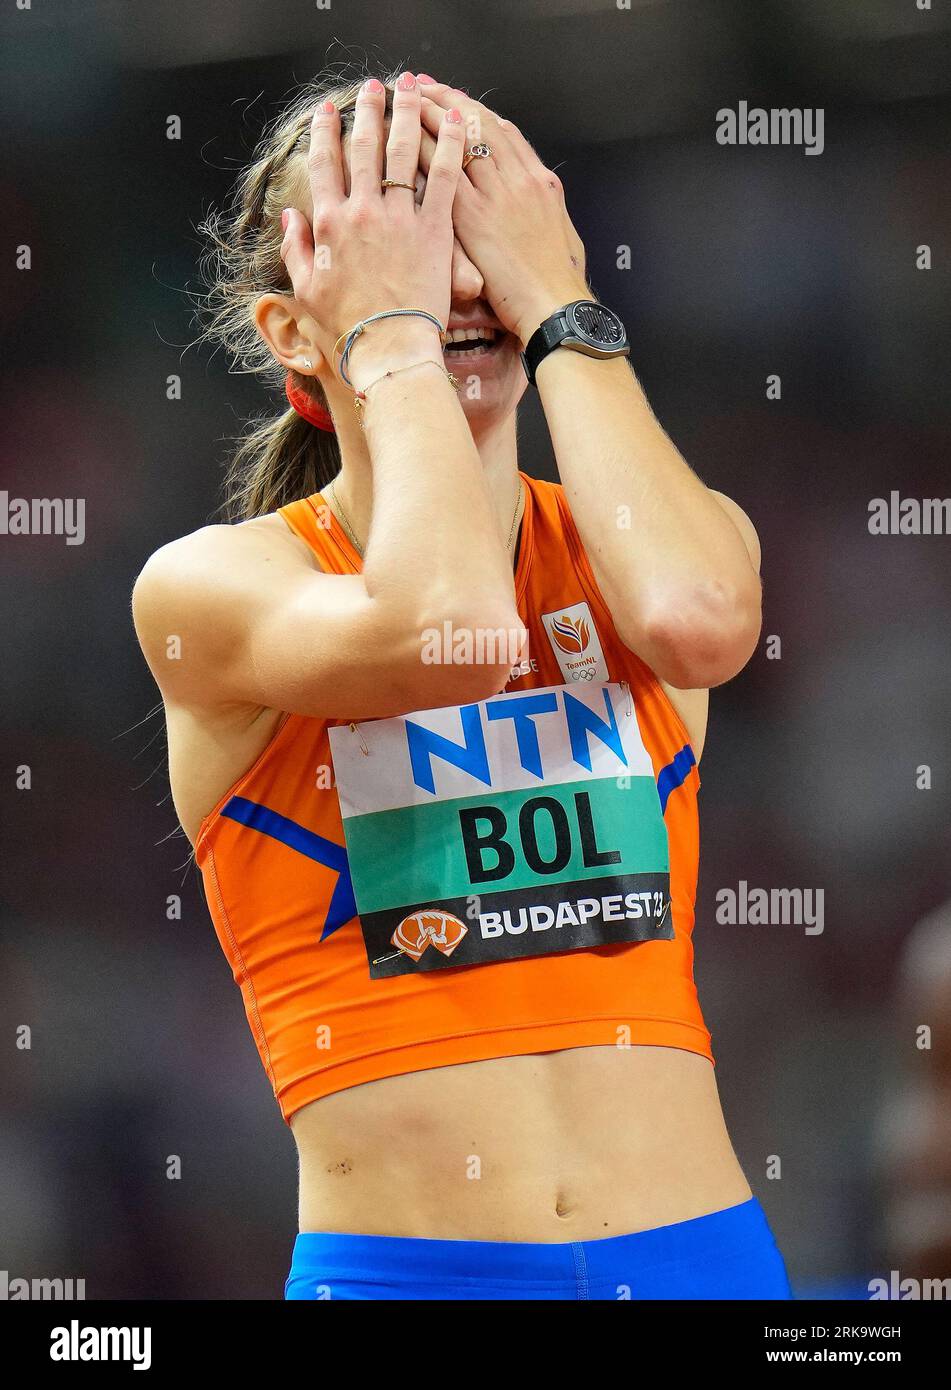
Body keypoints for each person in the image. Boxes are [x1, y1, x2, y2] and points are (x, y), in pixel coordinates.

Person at [132, 68, 791, 1300]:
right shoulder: (214, 589)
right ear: (291, 326)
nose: (459, 284)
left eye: (478, 231)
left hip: (700, 1257)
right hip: (409, 1273)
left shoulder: (645, 548)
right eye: (406, 238)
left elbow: (701, 625)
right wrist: (392, 336)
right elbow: (448, 632)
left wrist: (562, 299)